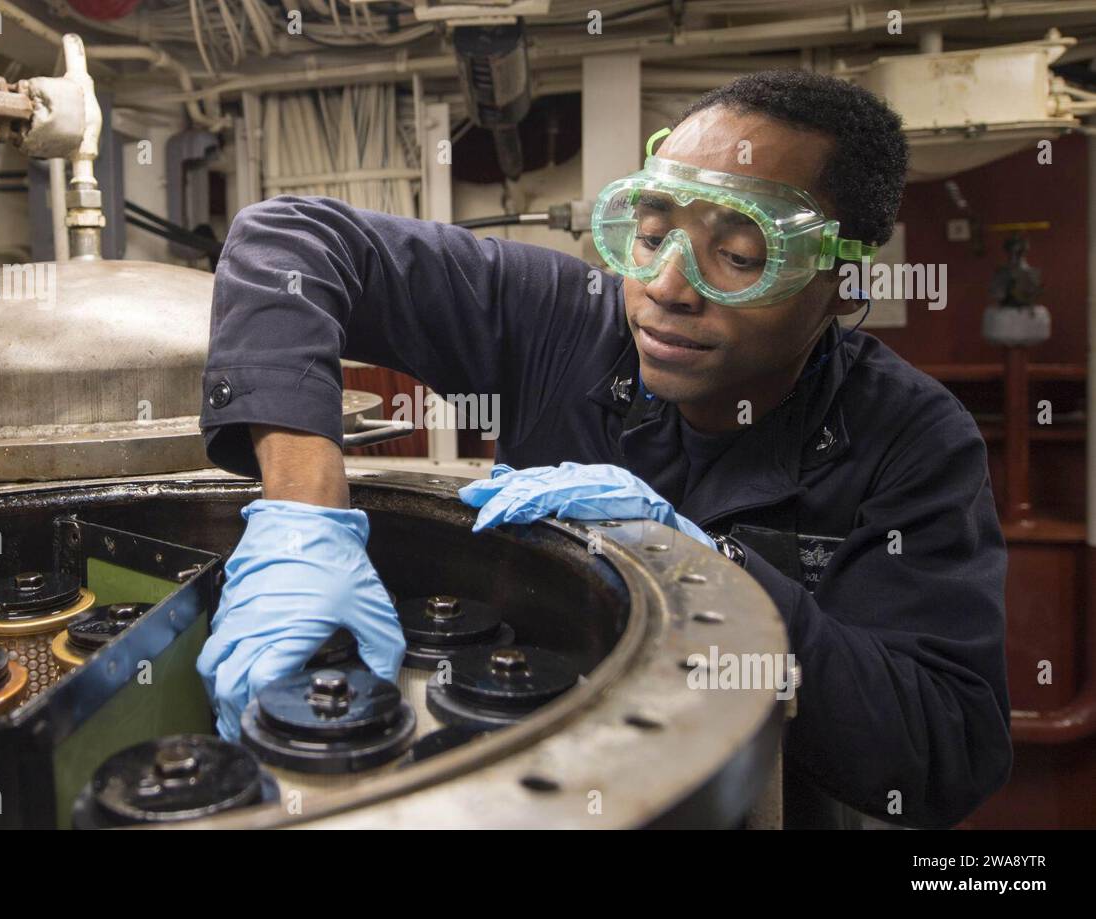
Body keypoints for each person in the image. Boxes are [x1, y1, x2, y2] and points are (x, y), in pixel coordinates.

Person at [195, 69, 1012, 828]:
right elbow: (290, 240)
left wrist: (722, 584)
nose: (667, 286)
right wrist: (303, 516)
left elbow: (943, 746)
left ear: (843, 280)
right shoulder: (560, 320)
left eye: (738, 256)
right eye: (652, 233)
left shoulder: (912, 439)